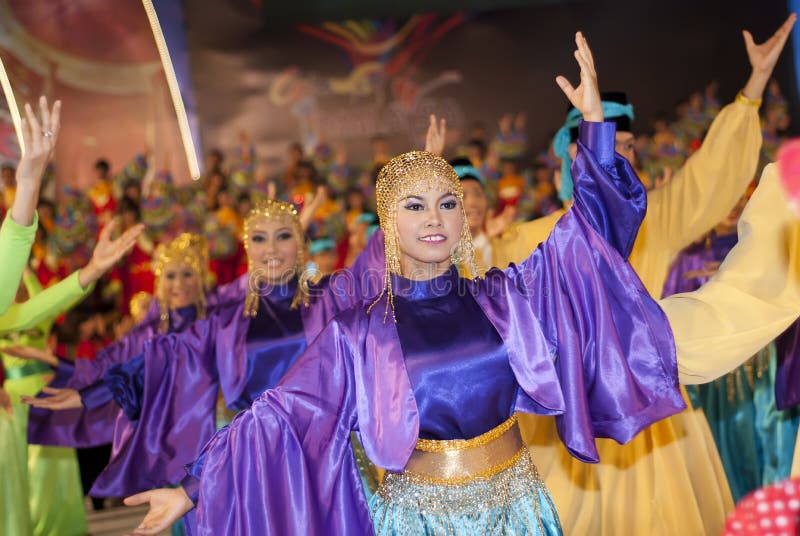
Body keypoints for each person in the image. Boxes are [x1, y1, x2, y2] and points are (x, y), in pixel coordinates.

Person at [123, 32, 685, 536]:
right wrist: (191, 489)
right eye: (415, 206)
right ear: (388, 225)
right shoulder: (358, 332)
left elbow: (590, 239)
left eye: (447, 203)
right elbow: (280, 415)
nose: (435, 218)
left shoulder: (507, 297)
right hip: (415, 521)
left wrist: (594, 129)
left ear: (465, 219)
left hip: (519, 510)